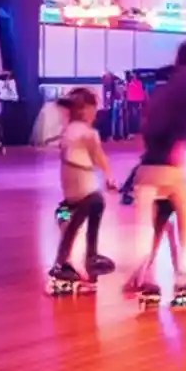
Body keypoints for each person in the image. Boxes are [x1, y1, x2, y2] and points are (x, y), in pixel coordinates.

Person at [124, 39, 186, 306]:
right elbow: (178, 149)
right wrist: (177, 150)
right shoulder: (185, 97)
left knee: (148, 227)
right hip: (168, 169)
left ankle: (144, 277)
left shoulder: (162, 93)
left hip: (146, 170)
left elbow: (144, 130)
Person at [47, 88, 118, 294]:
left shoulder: (68, 131)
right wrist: (109, 177)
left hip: (71, 199)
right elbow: (99, 157)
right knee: (92, 207)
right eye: (94, 108)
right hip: (83, 194)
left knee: (70, 218)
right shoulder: (87, 133)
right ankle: (74, 262)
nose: (96, 113)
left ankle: (76, 262)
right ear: (85, 110)